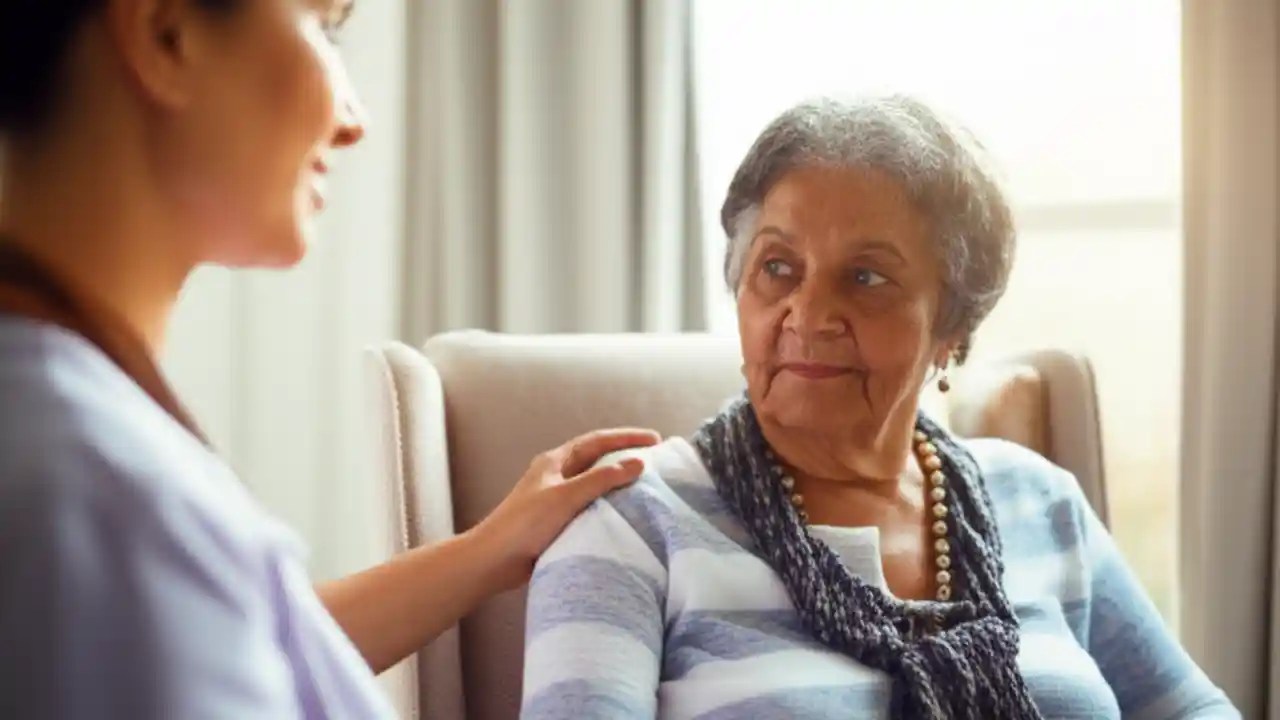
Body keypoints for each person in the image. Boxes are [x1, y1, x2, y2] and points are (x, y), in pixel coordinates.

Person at [0, 1, 659, 717]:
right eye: (325, 26)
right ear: (165, 34)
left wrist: (491, 550)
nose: (352, 119)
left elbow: (230, 636)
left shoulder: (78, 454)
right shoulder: (101, 498)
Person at [521, 97, 1240, 719]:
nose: (808, 313)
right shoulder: (632, 522)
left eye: (865, 278)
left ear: (951, 328)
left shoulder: (1038, 503)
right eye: (778, 268)